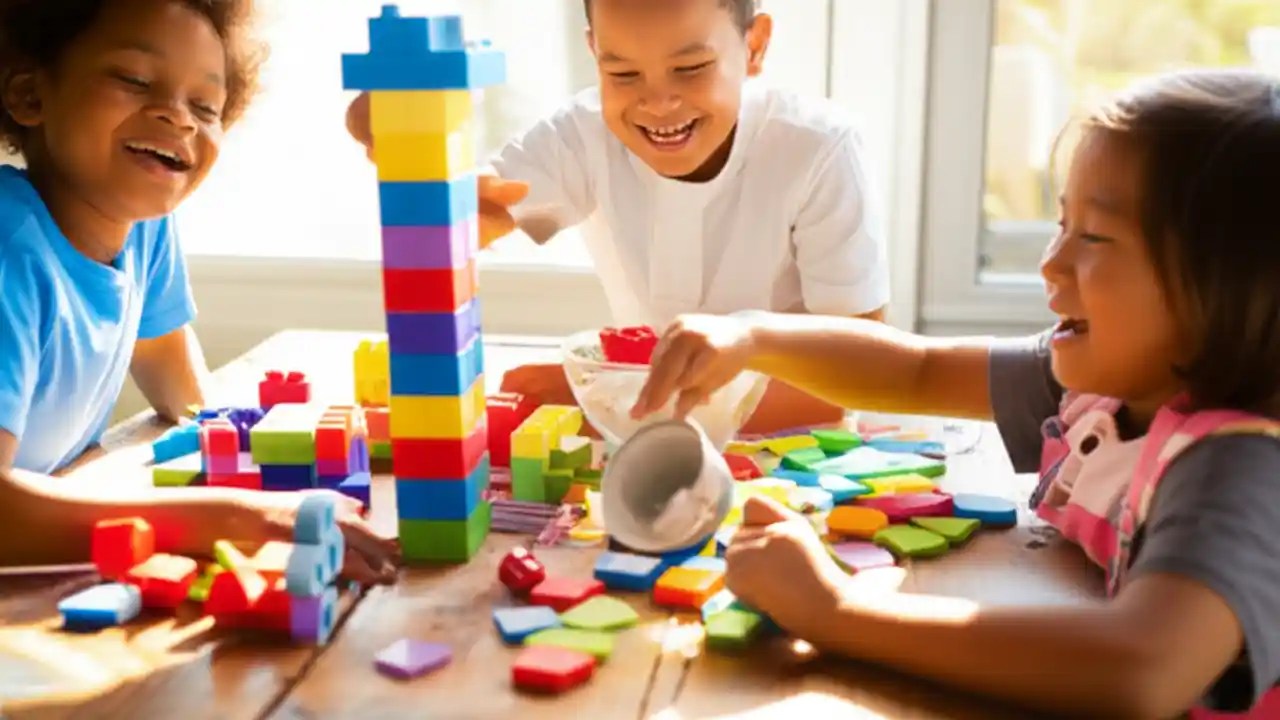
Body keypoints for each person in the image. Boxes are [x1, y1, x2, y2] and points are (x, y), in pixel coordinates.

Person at [630, 69, 1280, 718]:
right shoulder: (1106, 391)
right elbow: (917, 371)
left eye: (1095, 237)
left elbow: (1140, 669)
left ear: (1229, 290)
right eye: (1060, 223)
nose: (1050, 263)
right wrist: (753, 336)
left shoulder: (1242, 468)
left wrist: (837, 611)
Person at [346, 0, 889, 433]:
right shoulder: (581, 135)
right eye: (623, 72)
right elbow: (472, 214)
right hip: (647, 445)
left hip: (788, 453)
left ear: (754, 45)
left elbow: (853, 380)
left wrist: (606, 398)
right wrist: (409, 143)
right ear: (594, 53)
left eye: (691, 68)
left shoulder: (820, 149)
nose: (657, 102)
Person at [0, 0, 400, 583]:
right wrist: (238, 516)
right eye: (135, 80)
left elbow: (168, 365)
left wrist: (267, 446)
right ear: (30, 95)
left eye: (205, 106)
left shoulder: (143, 226)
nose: (178, 118)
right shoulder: (11, 252)